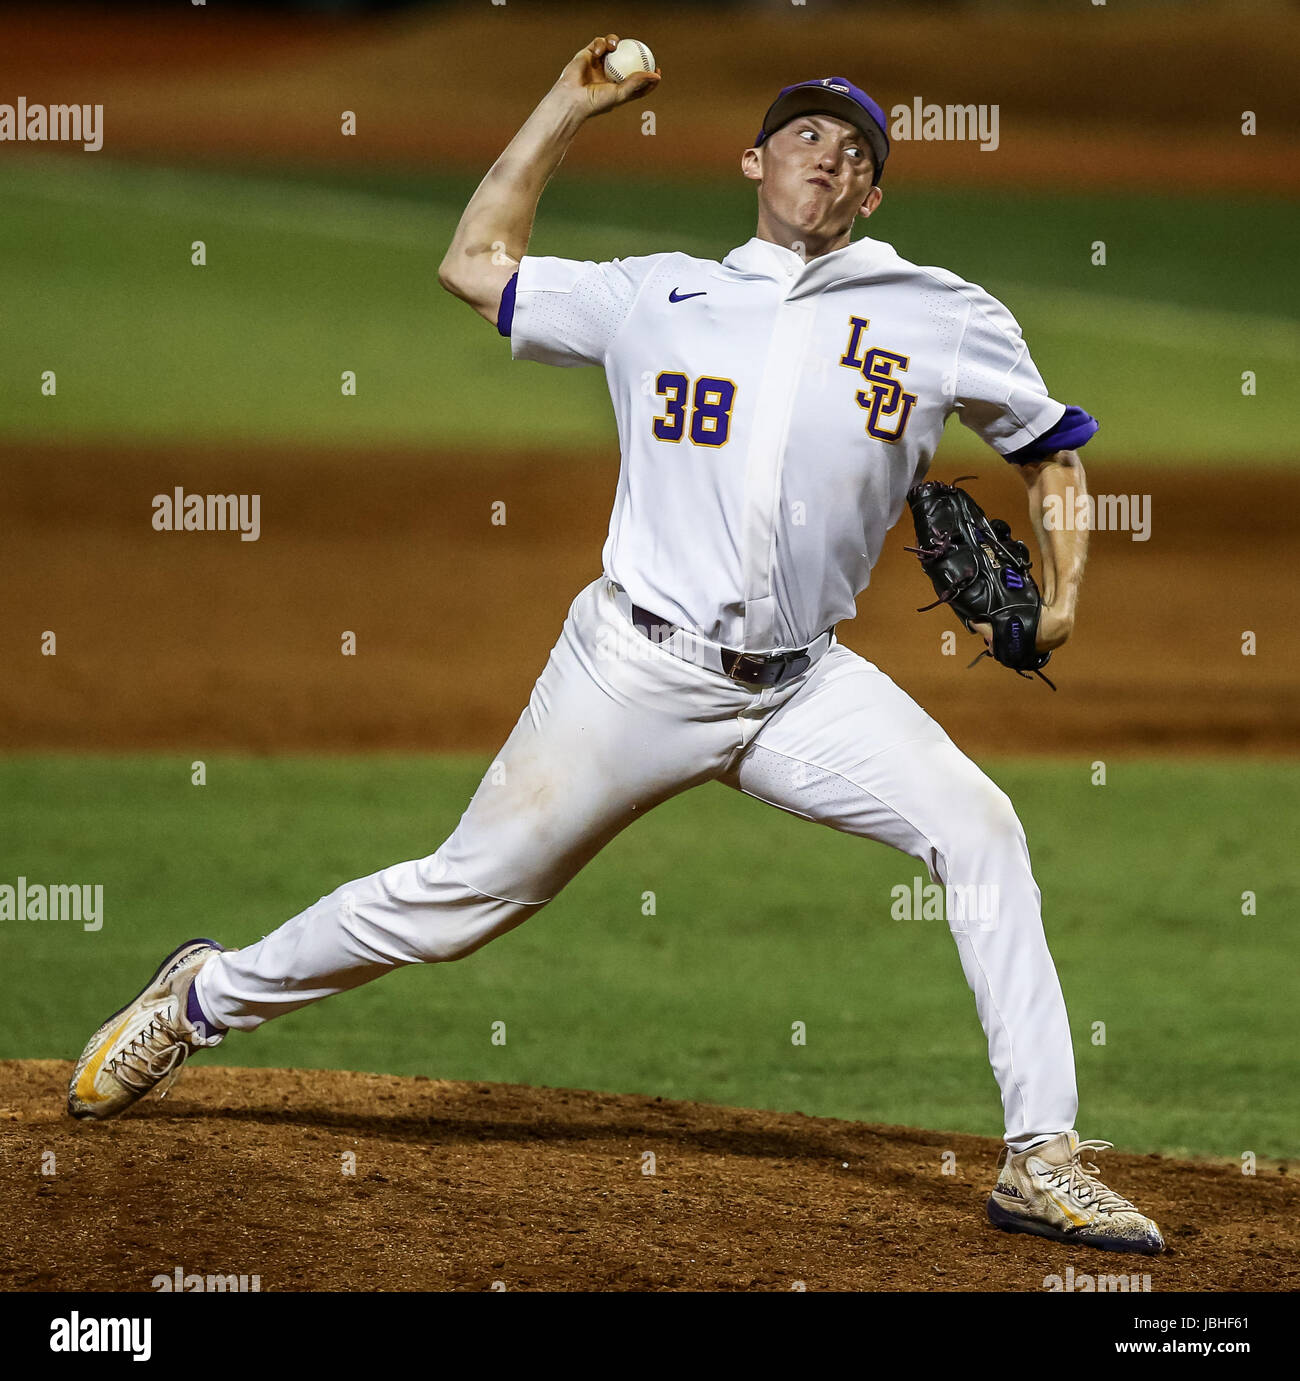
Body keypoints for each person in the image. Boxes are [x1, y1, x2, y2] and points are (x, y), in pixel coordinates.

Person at [69, 36, 1163, 1256]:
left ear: (872, 194)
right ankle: (203, 997)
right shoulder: (658, 293)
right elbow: (474, 266)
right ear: (755, 161)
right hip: (631, 673)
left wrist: (1059, 603)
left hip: (805, 689)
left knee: (981, 827)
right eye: (805, 134)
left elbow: (1051, 450)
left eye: (857, 152)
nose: (831, 157)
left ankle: (1041, 1156)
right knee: (460, 899)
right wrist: (563, 105)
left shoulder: (941, 312)